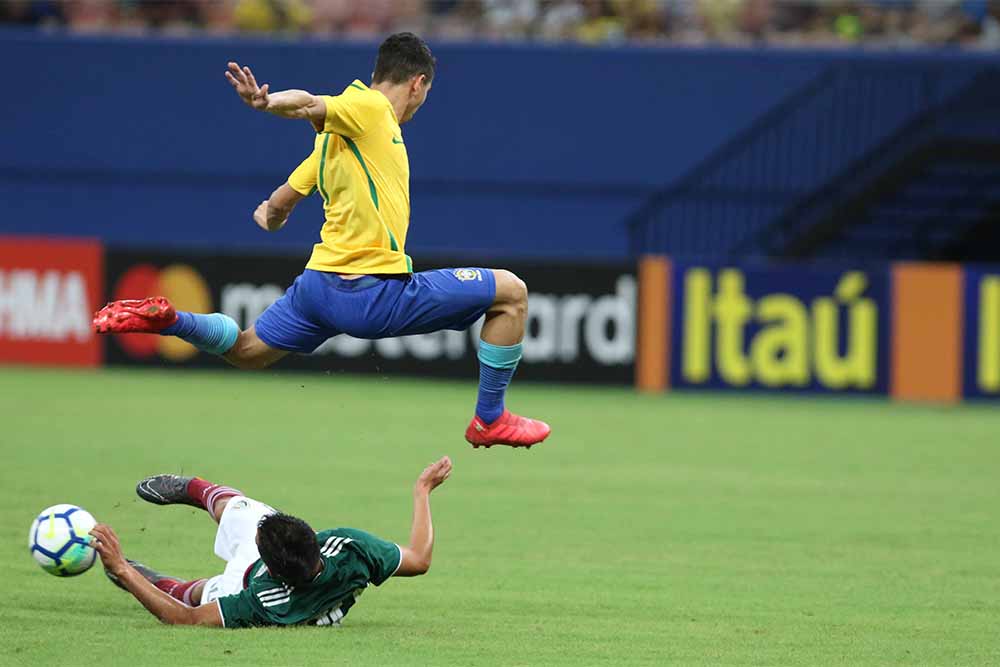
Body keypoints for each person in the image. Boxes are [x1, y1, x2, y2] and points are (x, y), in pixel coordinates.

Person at [92, 32, 550, 450]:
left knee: (246, 351)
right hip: (370, 292)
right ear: (417, 83)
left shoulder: (335, 145)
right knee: (511, 293)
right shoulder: (369, 111)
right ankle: (489, 418)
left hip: (318, 288)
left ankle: (172, 319)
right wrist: (266, 103)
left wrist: (271, 213)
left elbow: (276, 207)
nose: (421, 103)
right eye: (425, 93)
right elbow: (310, 103)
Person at [88, 457, 453, 627]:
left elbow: (185, 620)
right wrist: (422, 491)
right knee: (207, 582)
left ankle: (147, 578)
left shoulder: (262, 600)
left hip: (238, 582)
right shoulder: (349, 549)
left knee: (195, 593)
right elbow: (419, 559)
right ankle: (192, 489)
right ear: (315, 538)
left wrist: (122, 569)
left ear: (268, 566)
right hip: (282, 570)